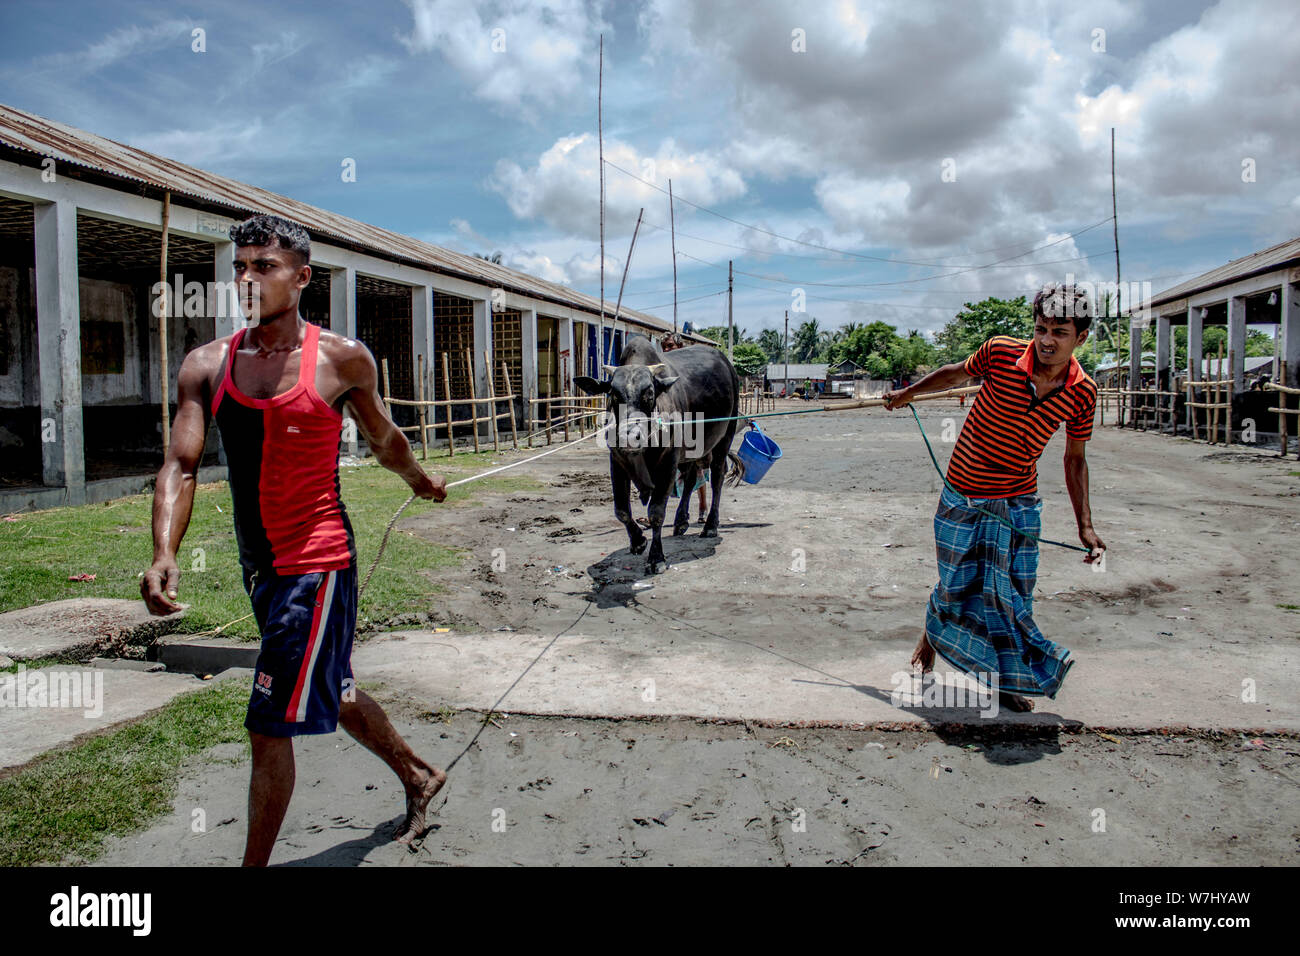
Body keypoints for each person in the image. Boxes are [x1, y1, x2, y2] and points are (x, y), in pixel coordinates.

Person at [141, 214, 448, 865]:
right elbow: (182, 464)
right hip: (262, 567)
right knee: (329, 689)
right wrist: (165, 551)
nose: (247, 280)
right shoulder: (206, 364)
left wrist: (419, 479)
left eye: (264, 266)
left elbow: (383, 437)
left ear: (302, 277)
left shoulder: (342, 359)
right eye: (239, 268)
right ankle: (418, 775)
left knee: (267, 721)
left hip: (320, 563)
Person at [883, 283, 1105, 713]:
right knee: (956, 584)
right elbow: (955, 372)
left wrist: (1086, 525)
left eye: (1060, 331)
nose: (1046, 340)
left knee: (1012, 594)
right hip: (963, 494)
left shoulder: (1083, 393)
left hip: (1018, 502)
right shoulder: (1001, 352)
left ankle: (1004, 682)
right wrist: (908, 393)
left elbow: (1075, 459)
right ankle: (932, 635)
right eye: (1041, 328)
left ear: (1081, 338)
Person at [660, 331, 709, 521]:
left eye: (670, 346)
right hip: (670, 422)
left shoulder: (689, 368)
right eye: (664, 347)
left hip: (691, 420)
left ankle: (703, 505)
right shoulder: (662, 369)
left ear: (680, 347)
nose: (666, 350)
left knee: (697, 466)